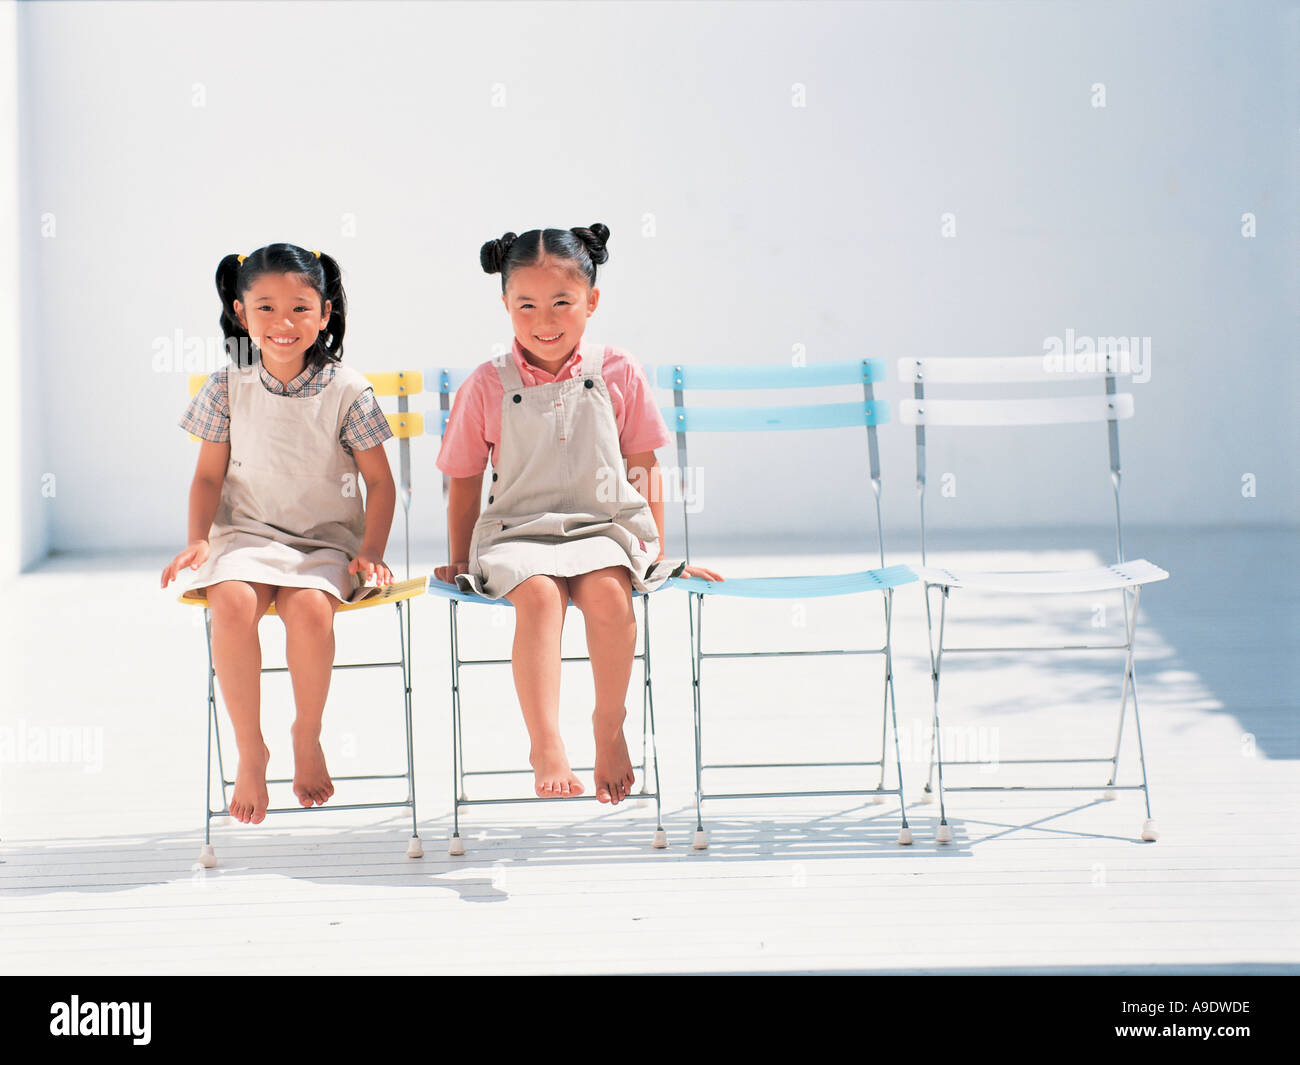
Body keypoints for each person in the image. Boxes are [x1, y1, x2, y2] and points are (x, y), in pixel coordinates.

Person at [434, 223, 722, 805]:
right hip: (518, 533)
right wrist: (459, 561)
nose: (546, 319)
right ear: (505, 305)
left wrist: (655, 557)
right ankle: (545, 743)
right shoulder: (487, 386)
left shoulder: (618, 369)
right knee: (539, 599)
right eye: (527, 305)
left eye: (563, 302)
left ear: (592, 301)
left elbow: (642, 467)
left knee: (610, 598)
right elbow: (463, 482)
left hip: (604, 526)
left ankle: (609, 726)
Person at [161, 243, 397, 826]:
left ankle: (307, 734)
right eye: (265, 308)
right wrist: (199, 539)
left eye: (299, 308)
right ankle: (250, 750)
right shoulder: (226, 387)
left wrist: (370, 552)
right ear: (242, 314)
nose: (283, 323)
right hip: (245, 536)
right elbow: (208, 476)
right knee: (232, 602)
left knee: (311, 611)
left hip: (323, 543)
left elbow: (381, 485)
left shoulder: (349, 390)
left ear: (324, 313)